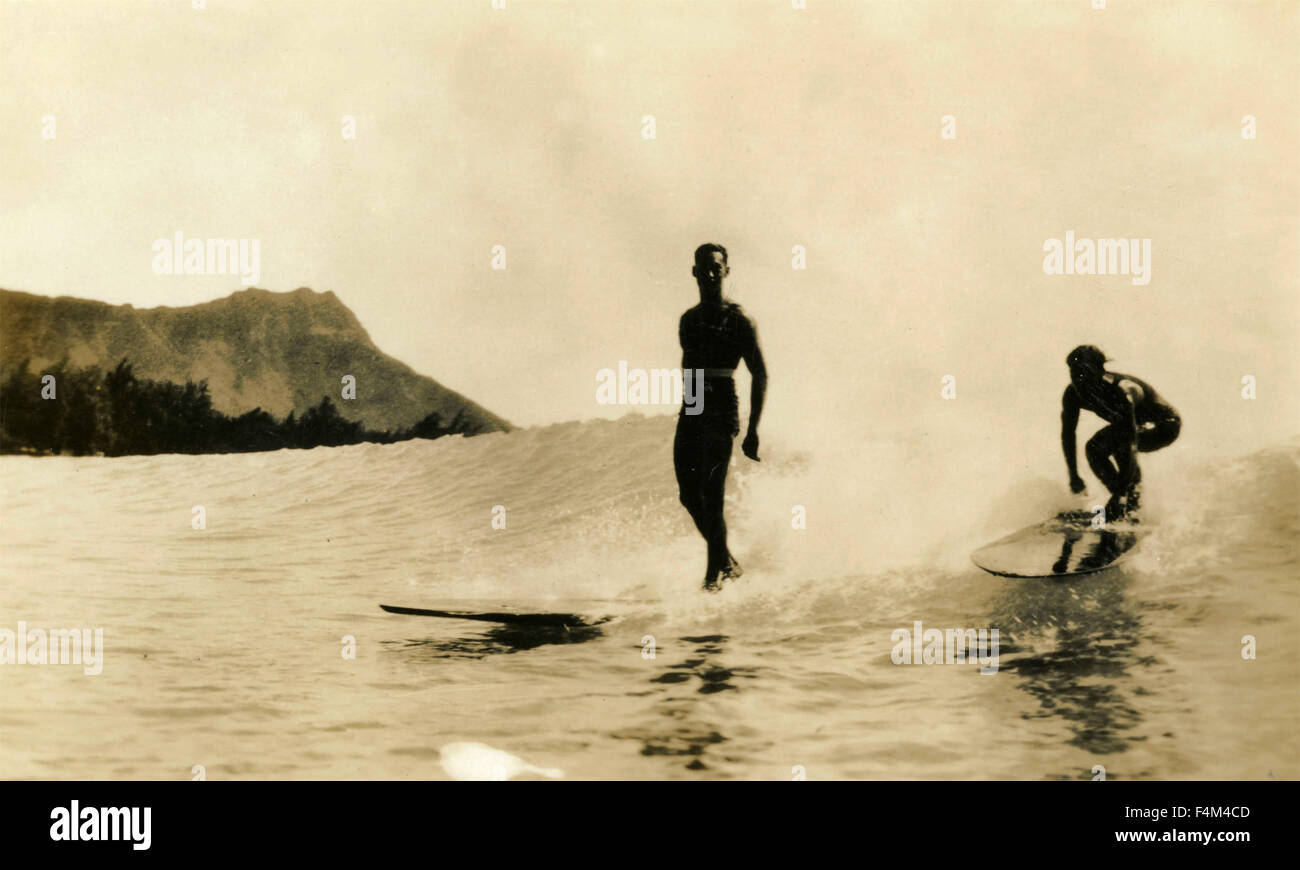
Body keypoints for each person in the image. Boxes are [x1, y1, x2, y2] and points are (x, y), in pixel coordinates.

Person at [674, 243, 767, 590]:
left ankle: (714, 579)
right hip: (694, 405)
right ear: (695, 272)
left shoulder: (739, 319)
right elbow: (690, 371)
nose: (711, 272)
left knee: (712, 496)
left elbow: (760, 373)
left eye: (717, 266)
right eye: (704, 266)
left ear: (727, 271)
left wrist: (752, 429)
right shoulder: (689, 320)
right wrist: (690, 413)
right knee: (688, 495)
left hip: (723, 406)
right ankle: (727, 562)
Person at [1060, 345, 1180, 521]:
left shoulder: (1121, 390)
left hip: (1165, 426)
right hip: (1135, 427)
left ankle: (1126, 504)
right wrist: (1073, 476)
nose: (1080, 381)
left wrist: (1120, 494)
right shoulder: (1072, 394)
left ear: (1099, 373)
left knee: (1110, 445)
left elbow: (1129, 441)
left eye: (1085, 374)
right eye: (1074, 373)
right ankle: (1126, 505)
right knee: (1099, 447)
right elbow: (1068, 434)